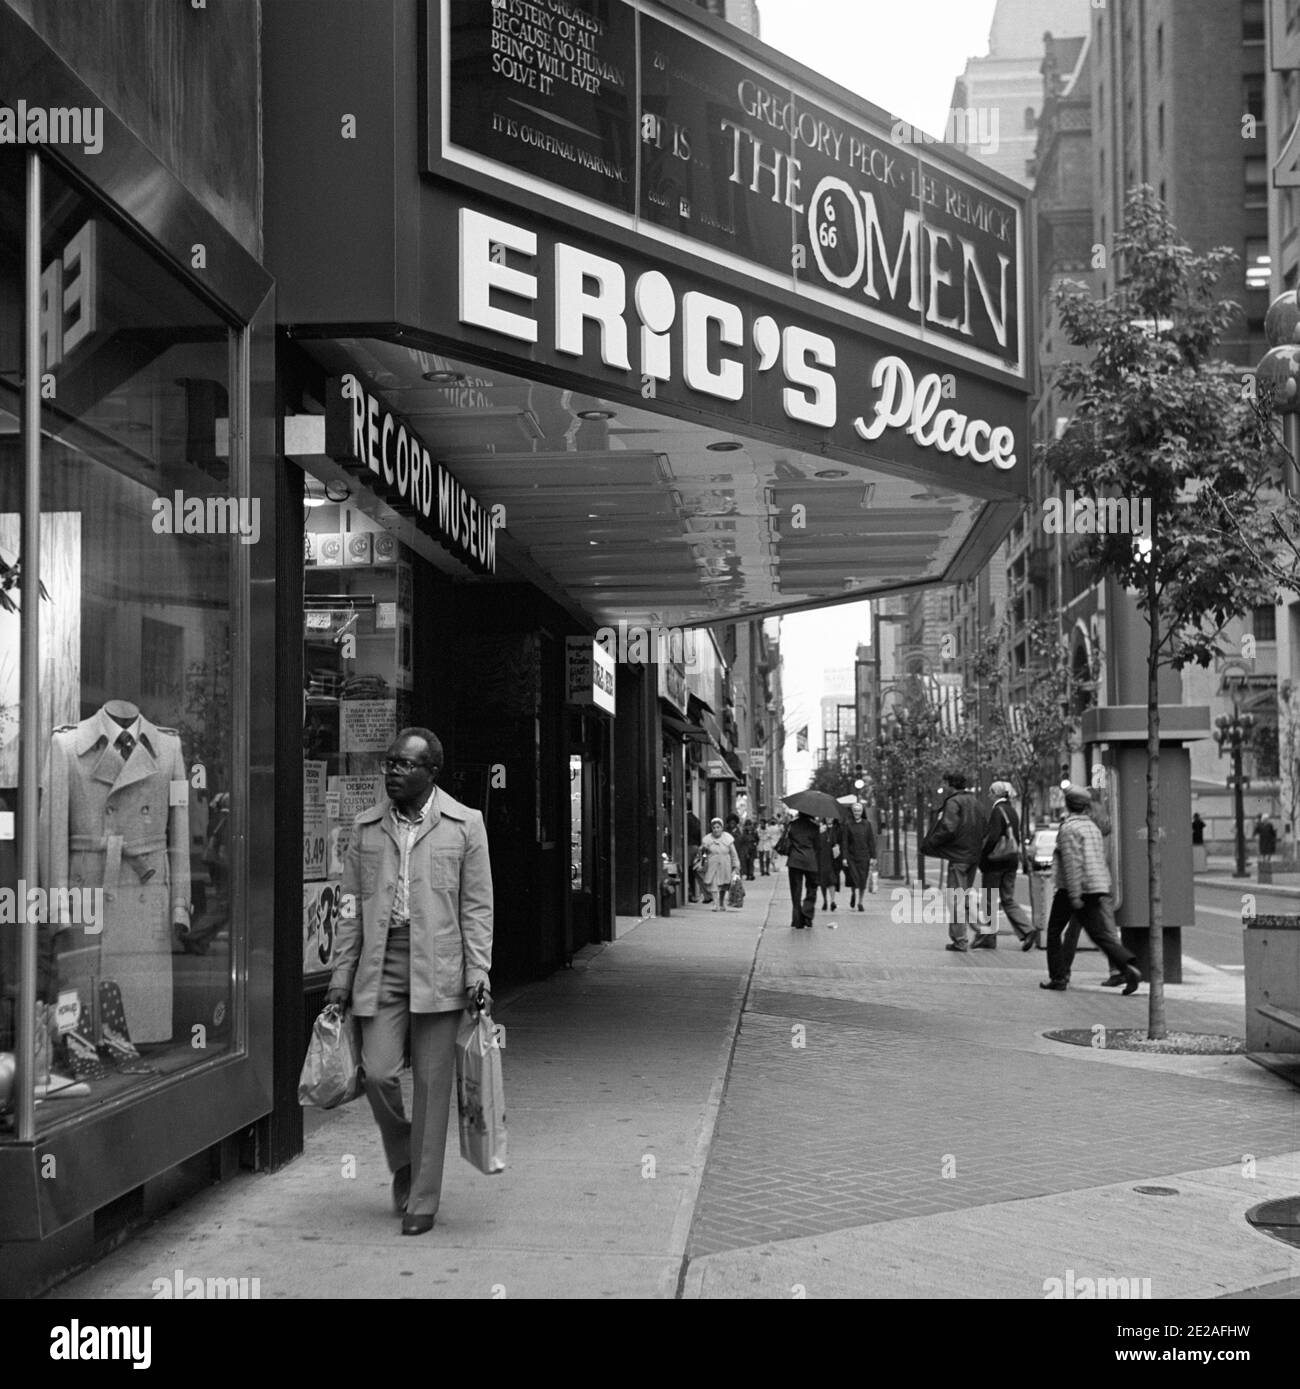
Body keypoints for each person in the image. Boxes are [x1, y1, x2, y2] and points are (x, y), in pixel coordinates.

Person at [325, 727, 493, 1236]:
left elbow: (477, 907)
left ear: (431, 772)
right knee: (376, 1071)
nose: (391, 771)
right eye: (389, 763)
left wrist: (478, 971)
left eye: (404, 765)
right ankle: (405, 1158)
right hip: (380, 964)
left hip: (440, 967)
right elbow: (350, 909)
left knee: (433, 1085)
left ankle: (422, 1199)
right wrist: (340, 975)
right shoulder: (365, 827)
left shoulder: (467, 825)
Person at [1040, 786, 1140, 995]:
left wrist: (1075, 894)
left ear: (1067, 805)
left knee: (1054, 930)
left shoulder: (1069, 829)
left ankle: (1058, 977)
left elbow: (1072, 863)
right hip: (1096, 886)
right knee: (1098, 934)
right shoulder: (1093, 828)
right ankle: (1127, 965)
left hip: (1073, 888)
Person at [921, 770, 989, 952]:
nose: (943, 787)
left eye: (945, 784)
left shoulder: (953, 802)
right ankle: (979, 929)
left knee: (956, 898)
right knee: (964, 895)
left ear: (951, 785)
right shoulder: (976, 802)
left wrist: (931, 842)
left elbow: (948, 828)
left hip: (959, 857)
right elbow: (984, 829)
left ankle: (961, 939)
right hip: (972, 856)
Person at [979, 781, 1036, 950]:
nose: (989, 796)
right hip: (1011, 860)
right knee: (1008, 899)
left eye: (991, 792)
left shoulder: (998, 811)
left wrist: (984, 857)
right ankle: (1027, 930)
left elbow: (993, 838)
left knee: (988, 899)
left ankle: (988, 937)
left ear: (996, 794)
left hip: (995, 862)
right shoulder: (1012, 811)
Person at [783, 811, 821, 928]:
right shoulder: (815, 827)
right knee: (812, 888)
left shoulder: (792, 825)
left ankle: (797, 920)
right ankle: (807, 913)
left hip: (794, 861)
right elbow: (818, 846)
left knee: (796, 891)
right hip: (810, 861)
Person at [699, 816, 741, 911]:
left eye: (718, 827)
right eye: (714, 828)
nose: (716, 830)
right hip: (712, 864)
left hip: (725, 864)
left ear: (722, 828)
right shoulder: (707, 839)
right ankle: (715, 903)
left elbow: (734, 854)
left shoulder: (728, 839)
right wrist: (703, 850)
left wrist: (736, 865)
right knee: (714, 884)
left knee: (723, 885)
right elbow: (702, 852)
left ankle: (721, 903)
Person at [840, 802, 876, 911]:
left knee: (862, 880)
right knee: (853, 878)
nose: (857, 812)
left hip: (864, 856)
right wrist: (844, 857)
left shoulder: (867, 824)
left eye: (859, 810)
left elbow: (871, 841)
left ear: (862, 812)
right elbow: (845, 842)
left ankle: (860, 902)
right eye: (855, 810)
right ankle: (853, 893)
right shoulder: (848, 824)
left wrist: (873, 857)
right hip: (852, 856)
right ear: (852, 811)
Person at [816, 816, 841, 911]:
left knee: (832, 880)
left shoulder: (837, 829)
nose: (829, 818)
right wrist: (819, 832)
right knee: (823, 881)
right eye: (827, 816)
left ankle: (832, 901)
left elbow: (841, 841)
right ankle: (825, 900)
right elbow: (816, 843)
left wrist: (838, 846)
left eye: (831, 816)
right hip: (822, 857)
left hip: (833, 859)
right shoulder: (820, 828)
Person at [686, 809, 704, 902]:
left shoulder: (685, 819)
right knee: (695, 871)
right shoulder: (696, 819)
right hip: (695, 846)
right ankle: (702, 893)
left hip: (688, 847)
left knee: (689, 871)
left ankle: (691, 893)